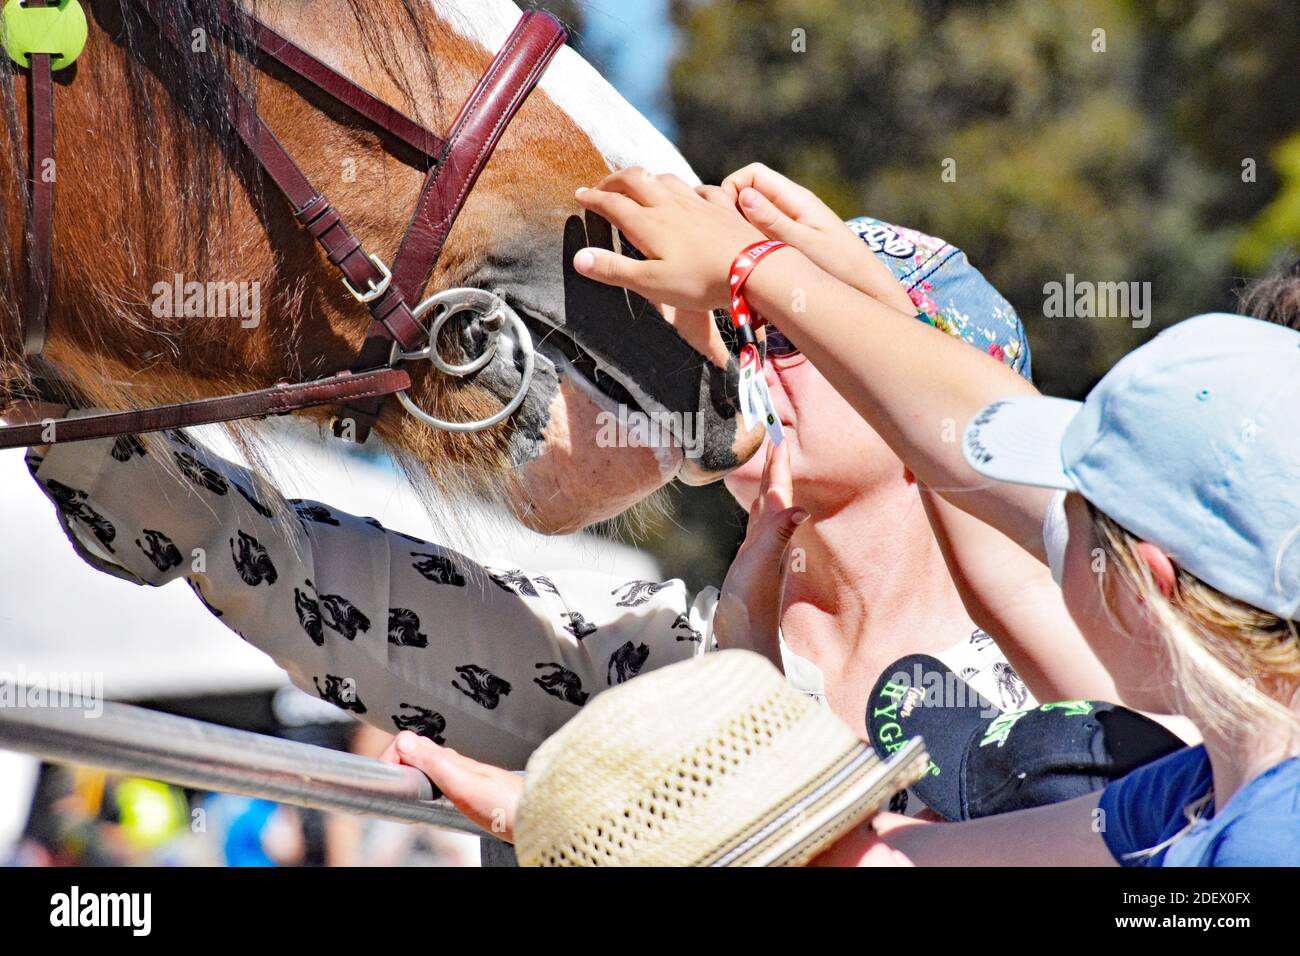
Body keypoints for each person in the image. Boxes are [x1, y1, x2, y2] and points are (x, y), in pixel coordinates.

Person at [9, 198, 1118, 789]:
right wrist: (47, 351)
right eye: (729, 330)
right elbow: (279, 569)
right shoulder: (641, 654)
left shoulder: (1084, 658)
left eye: (787, 328)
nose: (731, 362)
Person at [531, 166, 1298, 865]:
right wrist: (840, 290)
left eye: (1067, 524)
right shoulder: (1189, 795)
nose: (1041, 539)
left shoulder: (1254, 837)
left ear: (1150, 590)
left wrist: (759, 271)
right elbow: (880, 862)